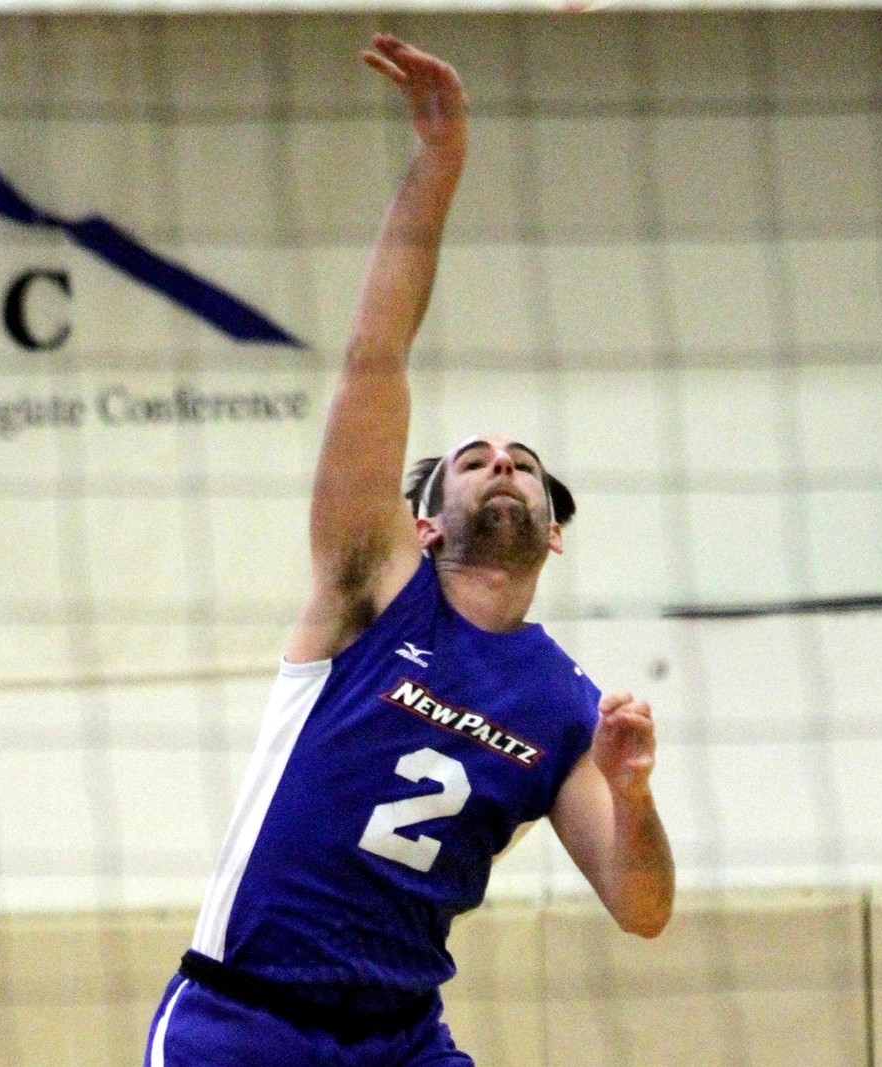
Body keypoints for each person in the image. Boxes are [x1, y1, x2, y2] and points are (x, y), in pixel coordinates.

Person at [145, 32, 674, 1067]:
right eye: (472, 459)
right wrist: (438, 169)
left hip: (399, 1043)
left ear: (552, 531)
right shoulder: (370, 589)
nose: (501, 463)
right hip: (243, 1022)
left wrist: (639, 794)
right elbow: (372, 357)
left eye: (521, 460)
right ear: (423, 520)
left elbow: (642, 907)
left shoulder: (566, 704)